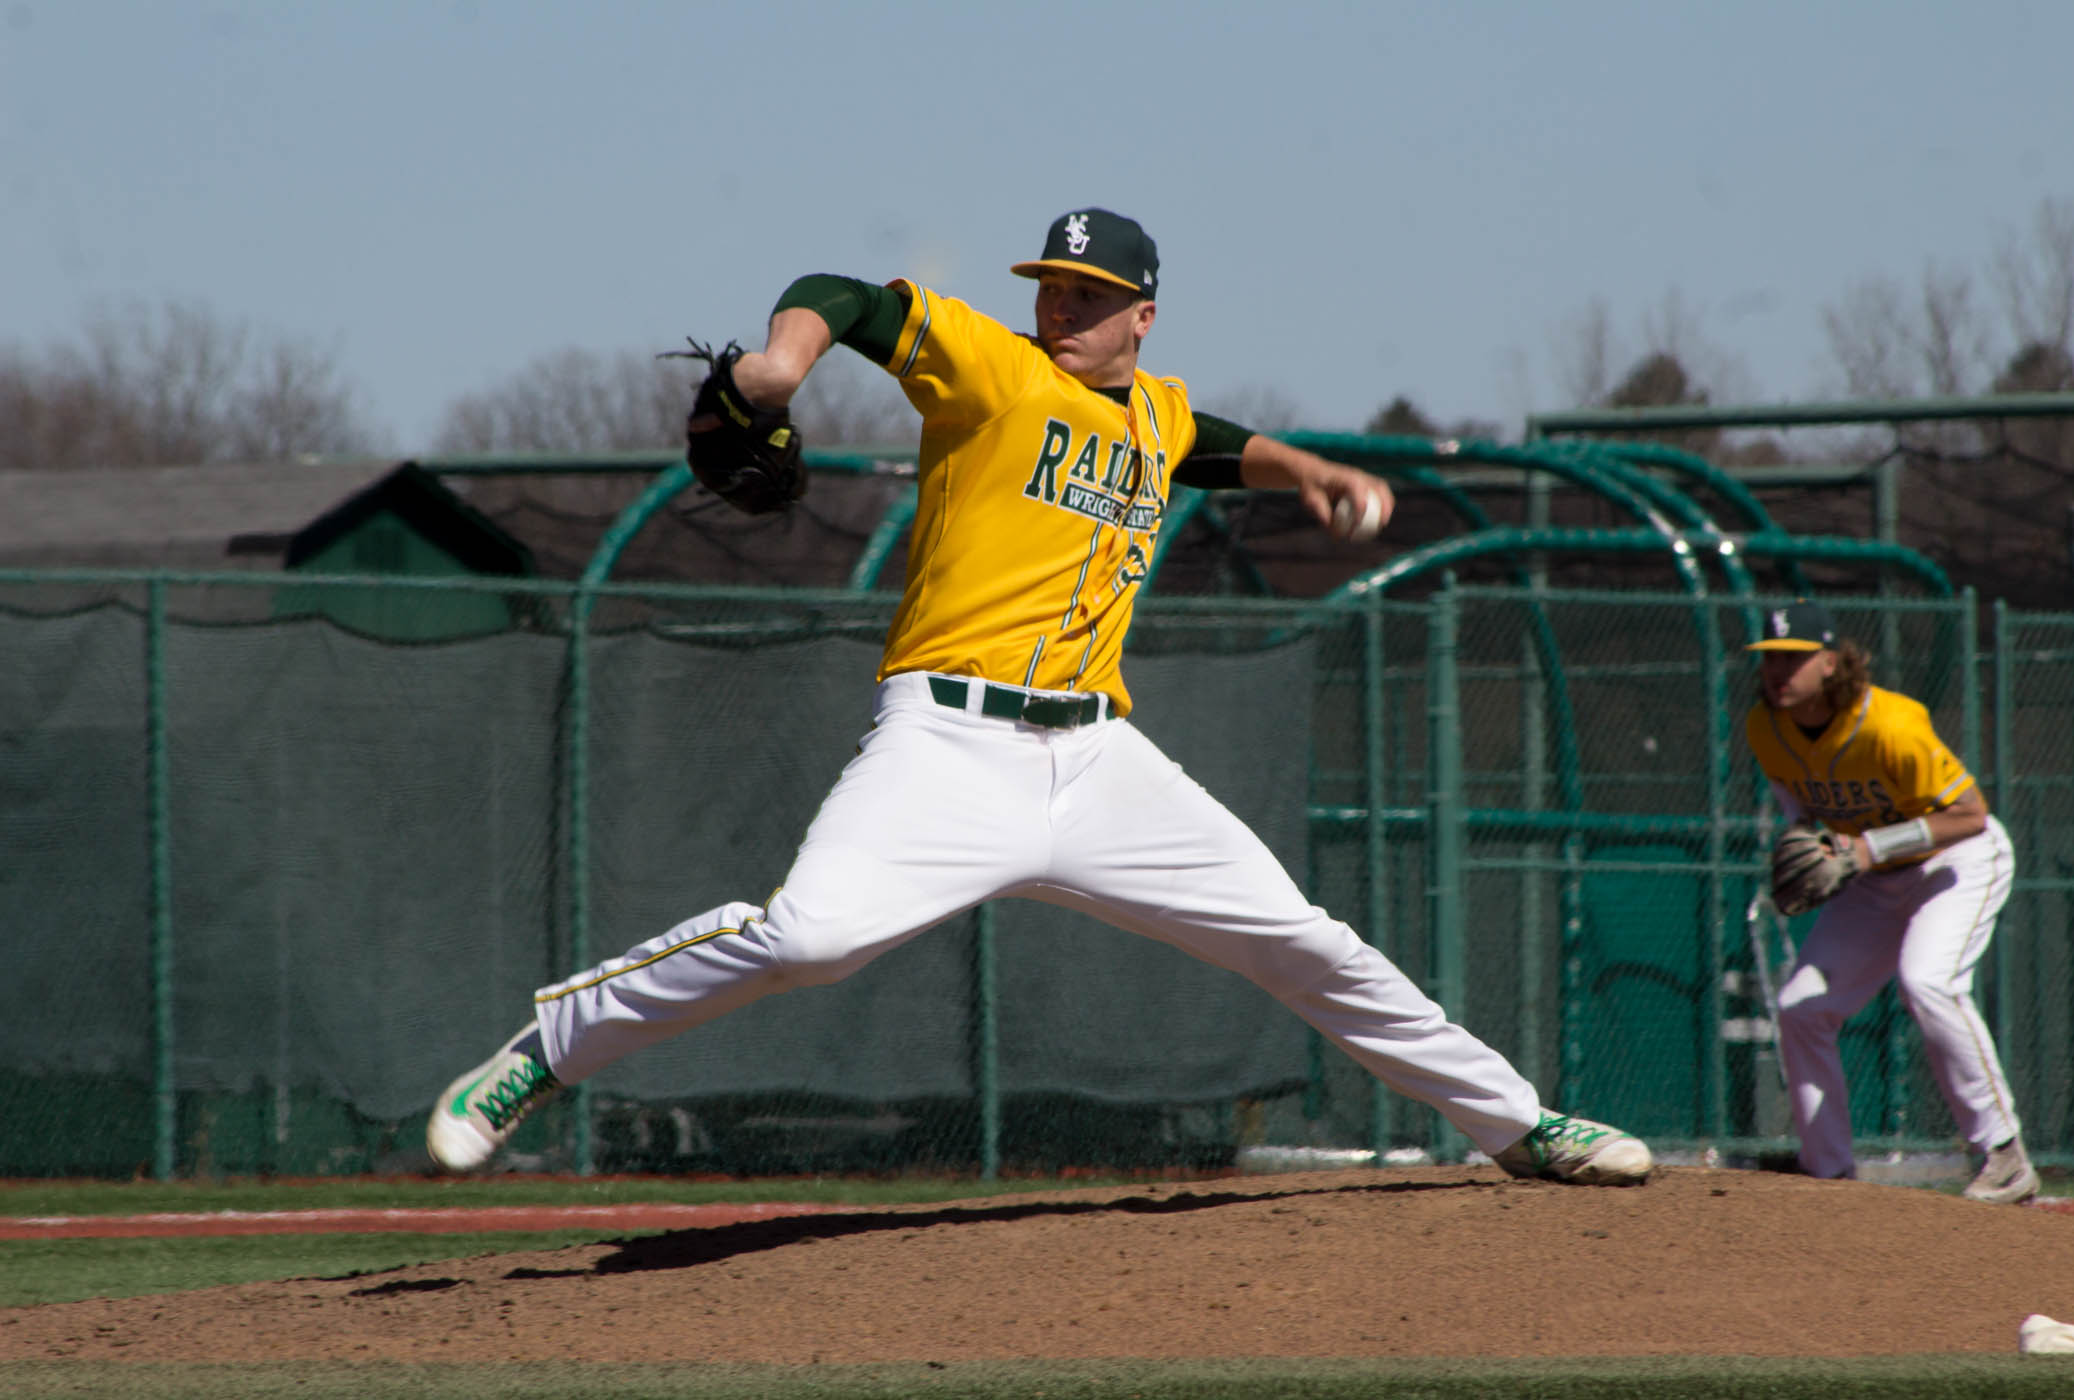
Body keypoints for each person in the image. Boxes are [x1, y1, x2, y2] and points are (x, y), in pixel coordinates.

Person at [425, 207, 1653, 1187]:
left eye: (1089, 296)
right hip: (948, 746)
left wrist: (1310, 469)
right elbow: (852, 297)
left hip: (1101, 762)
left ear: (1143, 316)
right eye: (1051, 288)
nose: (1060, 308)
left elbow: (1212, 440)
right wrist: (782, 362)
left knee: (1300, 938)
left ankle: (1521, 1124)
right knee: (811, 938)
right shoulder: (993, 371)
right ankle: (552, 1044)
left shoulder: (1156, 411)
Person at [1744, 599, 2035, 1203]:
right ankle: (1828, 1174)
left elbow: (1970, 815)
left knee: (1928, 982)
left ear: (1829, 663)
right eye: (1771, 657)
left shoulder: (1890, 724)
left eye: (1794, 658)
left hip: (1956, 862)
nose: (1779, 670)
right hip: (1874, 877)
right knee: (1801, 1008)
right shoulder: (1763, 728)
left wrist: (1867, 848)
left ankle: (2003, 1152)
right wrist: (1815, 846)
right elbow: (1804, 816)